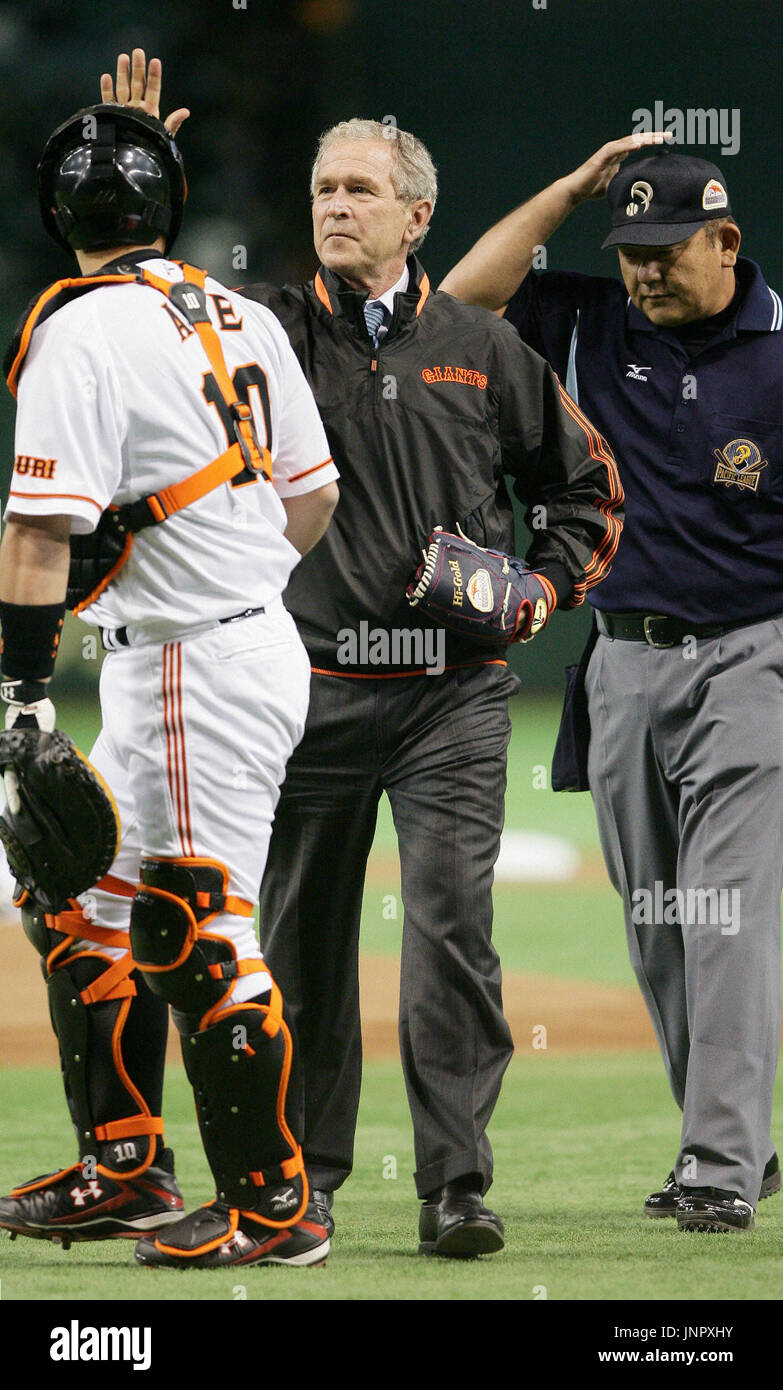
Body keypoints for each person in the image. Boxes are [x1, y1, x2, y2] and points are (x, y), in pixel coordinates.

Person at [113, 53, 624, 1255]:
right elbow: (154, 312)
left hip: (453, 698)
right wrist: (141, 176)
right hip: (308, 689)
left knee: (452, 929)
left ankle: (456, 1186)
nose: (335, 207)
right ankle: (305, 1181)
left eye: (358, 189)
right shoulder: (267, 330)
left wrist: (544, 586)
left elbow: (587, 492)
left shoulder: (481, 347)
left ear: (416, 215)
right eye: (321, 190)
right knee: (297, 945)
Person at [0, 97, 340, 1270]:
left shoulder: (80, 331)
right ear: (174, 206)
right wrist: (237, 575)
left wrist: (17, 694)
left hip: (197, 662)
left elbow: (42, 535)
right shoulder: (243, 311)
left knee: (193, 928)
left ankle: (275, 1209)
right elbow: (313, 499)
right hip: (221, 642)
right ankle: (128, 1167)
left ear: (53, 215)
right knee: (73, 903)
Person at [442, 135, 783, 1233]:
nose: (642, 270)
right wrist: (564, 190)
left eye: (665, 249)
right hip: (624, 662)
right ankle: (729, 1138)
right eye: (628, 247)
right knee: (657, 919)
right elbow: (457, 302)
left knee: (726, 914)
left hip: (753, 655)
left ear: (726, 241)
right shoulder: (592, 322)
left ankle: (720, 1165)